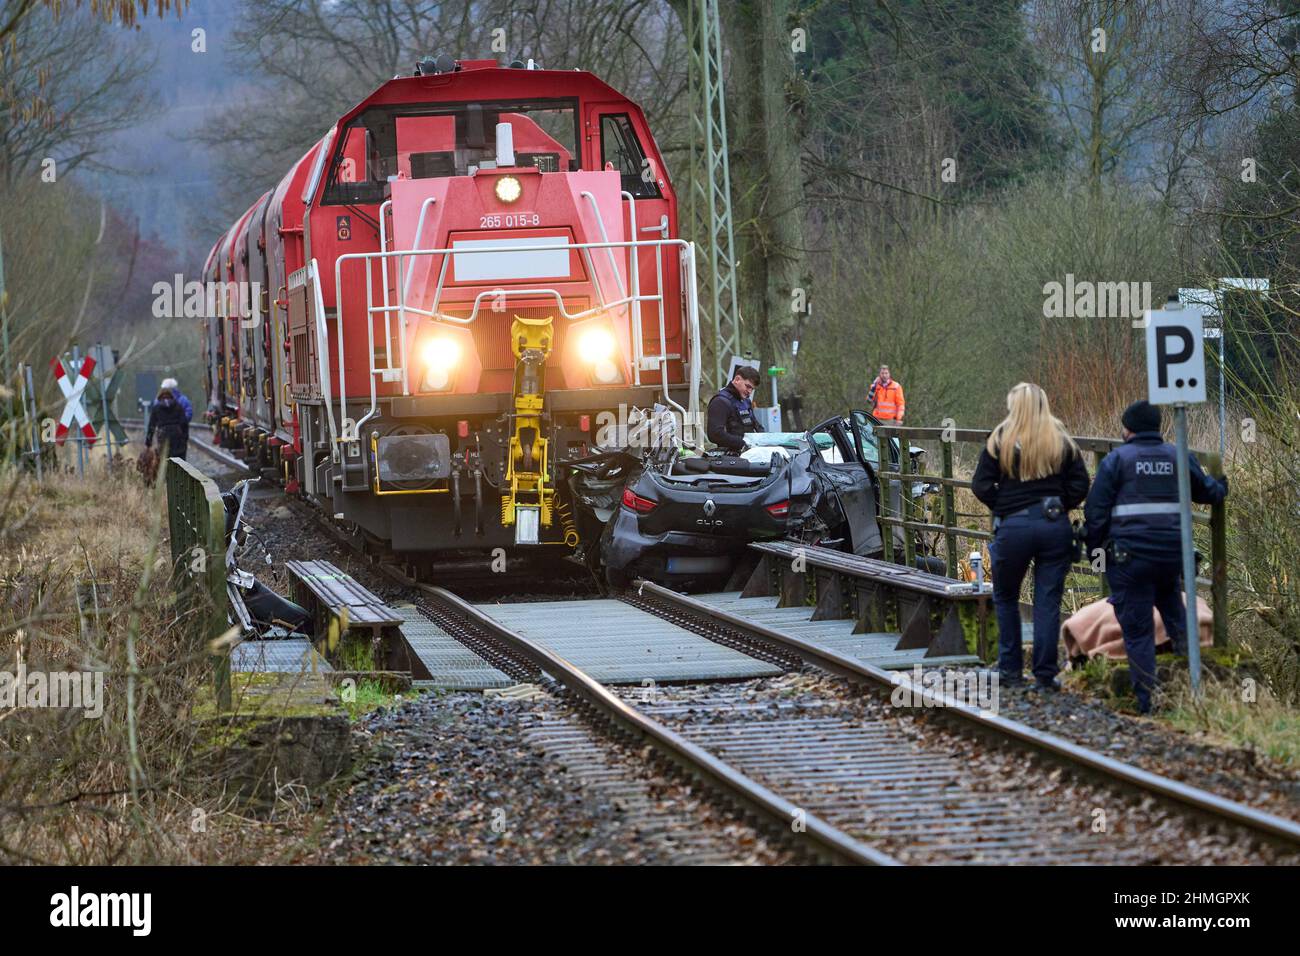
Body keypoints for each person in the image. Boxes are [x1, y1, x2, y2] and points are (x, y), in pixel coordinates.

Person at [1084, 400, 1228, 714]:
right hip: (1172, 557)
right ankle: (1194, 695)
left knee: (1138, 632)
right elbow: (1207, 492)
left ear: (1127, 429)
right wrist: (1221, 485)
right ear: (1158, 427)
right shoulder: (1179, 455)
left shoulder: (1116, 460)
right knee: (1176, 617)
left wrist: (1094, 553)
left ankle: (1149, 704)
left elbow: (1095, 513)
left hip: (1131, 561)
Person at [972, 383, 1090, 691]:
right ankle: (1044, 675)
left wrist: (1005, 506)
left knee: (1007, 597)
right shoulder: (1060, 438)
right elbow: (1081, 483)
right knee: (1047, 602)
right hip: (1054, 527)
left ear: (1014, 406)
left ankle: (1010, 670)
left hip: (1013, 528)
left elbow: (981, 485)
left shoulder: (1001, 438)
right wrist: (1059, 504)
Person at [706, 365, 760, 453]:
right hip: (730, 457)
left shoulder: (746, 401)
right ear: (737, 379)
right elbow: (715, 434)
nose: (749, 391)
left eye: (752, 389)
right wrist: (744, 443)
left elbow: (755, 425)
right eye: (748, 386)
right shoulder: (720, 401)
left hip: (748, 452)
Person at [146, 387, 189, 460]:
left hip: (163, 435)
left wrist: (148, 443)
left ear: (159, 397)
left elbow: (151, 426)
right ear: (171, 396)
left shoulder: (156, 408)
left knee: (165, 459)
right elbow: (184, 423)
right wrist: (185, 438)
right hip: (177, 435)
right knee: (180, 460)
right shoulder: (178, 406)